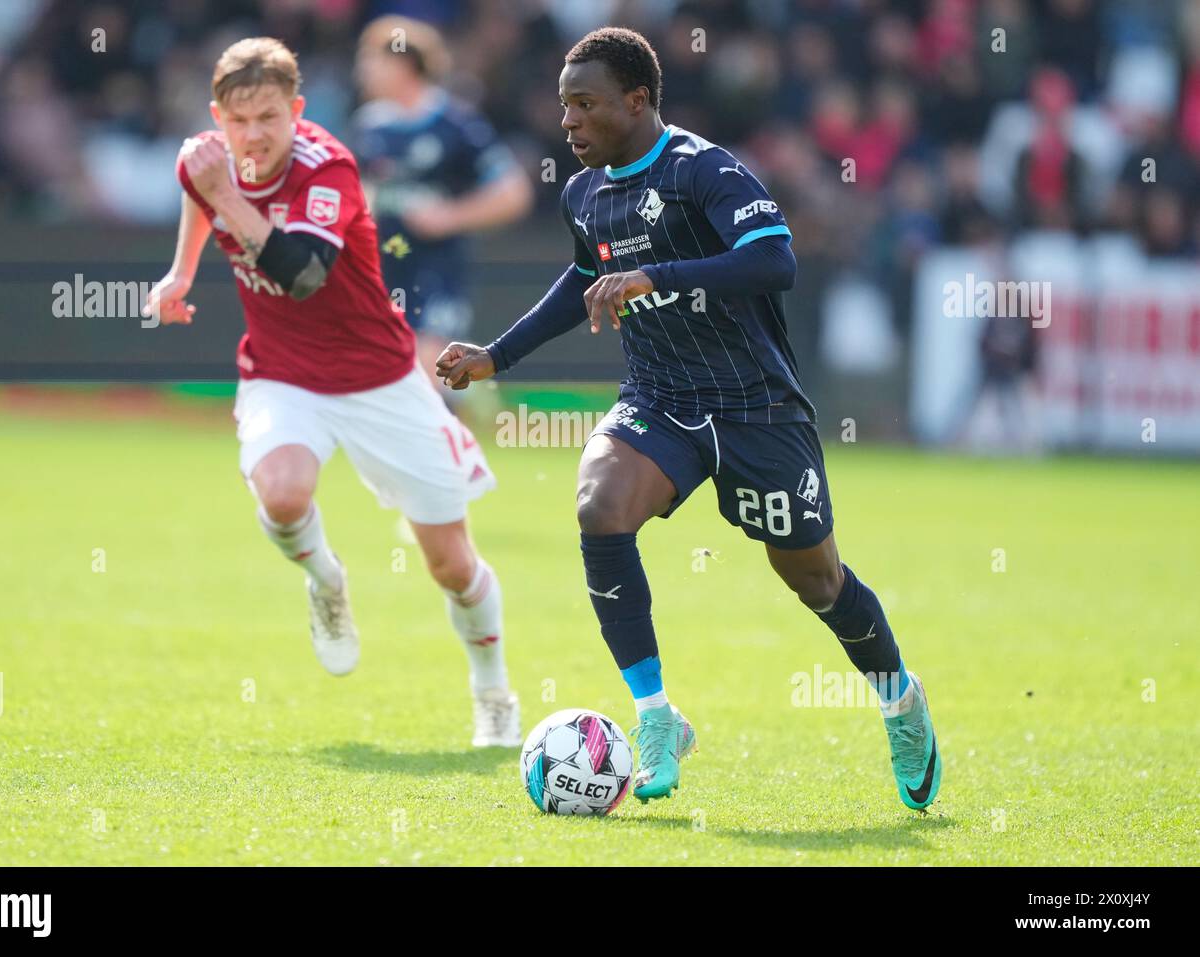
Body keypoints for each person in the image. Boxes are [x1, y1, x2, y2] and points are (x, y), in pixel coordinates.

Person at [437, 28, 940, 806]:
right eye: (563, 104)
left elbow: (776, 260)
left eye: (585, 104)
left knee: (815, 579)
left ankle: (899, 696)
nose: (566, 121)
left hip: (755, 407)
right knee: (599, 508)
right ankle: (656, 716)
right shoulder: (584, 192)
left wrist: (653, 273)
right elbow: (582, 281)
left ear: (636, 102)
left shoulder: (703, 169)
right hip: (660, 399)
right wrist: (496, 357)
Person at [143, 37, 519, 747]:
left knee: (452, 564)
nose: (253, 135)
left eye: (269, 118)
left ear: (298, 111)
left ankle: (493, 690)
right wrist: (181, 274)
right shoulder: (204, 161)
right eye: (239, 119)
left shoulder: (330, 169)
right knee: (282, 494)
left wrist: (225, 192)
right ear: (218, 116)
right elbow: (199, 197)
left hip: (380, 377)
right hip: (282, 372)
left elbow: (302, 273)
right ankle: (326, 581)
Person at [352, 15, 533, 404]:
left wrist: (451, 216)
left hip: (438, 270)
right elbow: (361, 194)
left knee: (423, 371)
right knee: (387, 378)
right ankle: (457, 406)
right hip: (385, 267)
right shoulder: (370, 127)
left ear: (404, 65)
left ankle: (455, 417)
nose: (362, 71)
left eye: (372, 60)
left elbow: (513, 192)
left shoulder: (456, 124)